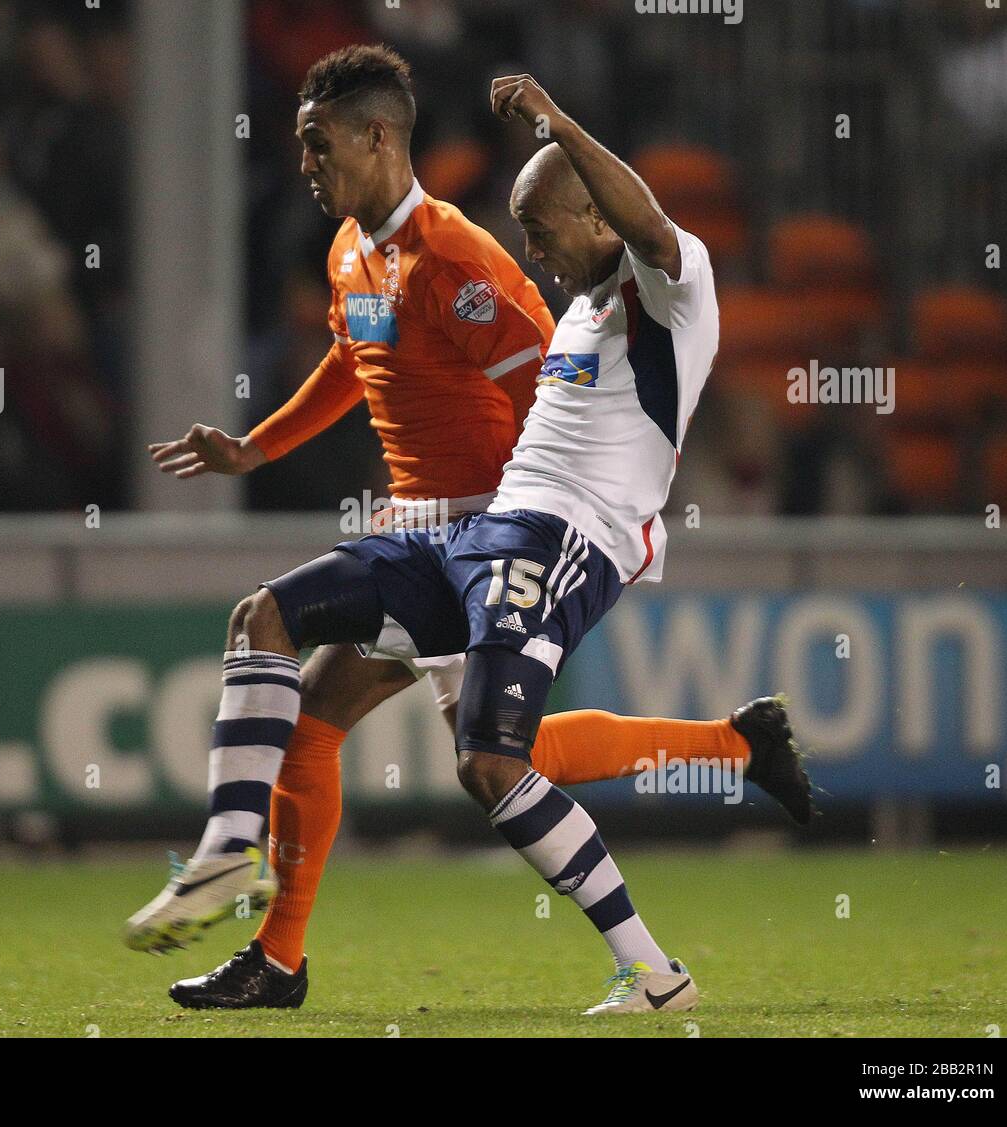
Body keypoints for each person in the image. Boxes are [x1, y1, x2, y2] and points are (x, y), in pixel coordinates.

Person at [126, 67, 815, 1016]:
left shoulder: (557, 269)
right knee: (292, 645)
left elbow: (616, 269)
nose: (528, 252)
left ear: (376, 138)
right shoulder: (376, 263)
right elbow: (354, 359)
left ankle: (654, 966)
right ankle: (237, 879)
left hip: (518, 529)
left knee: (485, 758)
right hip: (459, 531)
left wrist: (554, 120)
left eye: (541, 232)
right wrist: (255, 447)